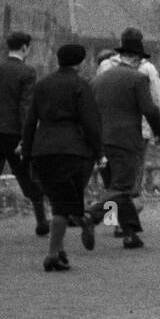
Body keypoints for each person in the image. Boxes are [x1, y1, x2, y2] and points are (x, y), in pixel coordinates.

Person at [21, 43, 101, 272]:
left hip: (43, 148)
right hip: (73, 150)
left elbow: (30, 121)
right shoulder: (81, 85)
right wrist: (99, 151)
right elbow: (90, 122)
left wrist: (27, 151)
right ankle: (54, 253)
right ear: (81, 62)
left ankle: (62, 247)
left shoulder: (42, 84)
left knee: (59, 200)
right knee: (62, 205)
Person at [86, 30, 160, 249]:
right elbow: (151, 108)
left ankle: (130, 233)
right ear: (138, 58)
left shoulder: (98, 79)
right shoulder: (138, 78)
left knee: (114, 185)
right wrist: (158, 131)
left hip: (101, 140)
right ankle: (92, 215)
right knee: (123, 187)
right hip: (125, 140)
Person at [0, 30, 48, 242]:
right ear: (25, 48)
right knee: (29, 174)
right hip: (16, 132)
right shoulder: (28, 72)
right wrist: (27, 137)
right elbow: (26, 108)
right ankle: (41, 222)